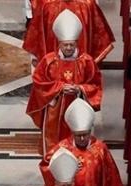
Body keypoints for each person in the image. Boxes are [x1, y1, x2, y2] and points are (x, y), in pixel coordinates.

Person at [26, 10, 103, 154]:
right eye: (65, 45)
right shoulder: (49, 60)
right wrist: (59, 88)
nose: (68, 48)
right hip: (55, 110)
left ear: (76, 43)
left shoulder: (86, 61)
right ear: (59, 44)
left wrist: (79, 89)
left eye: (71, 45)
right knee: (54, 145)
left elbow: (95, 84)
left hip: (78, 107)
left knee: (77, 141)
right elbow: (38, 82)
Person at [39, 98, 126, 186]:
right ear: (72, 133)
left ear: (90, 131)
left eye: (84, 134)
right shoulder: (62, 148)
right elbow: (46, 165)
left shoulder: (100, 149)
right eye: (78, 135)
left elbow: (110, 176)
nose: (81, 138)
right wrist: (65, 170)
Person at [22, 0, 114, 64]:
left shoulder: (87, 4)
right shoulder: (46, 5)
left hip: (80, 68)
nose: (68, 48)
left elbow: (96, 34)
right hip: (53, 67)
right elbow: (38, 33)